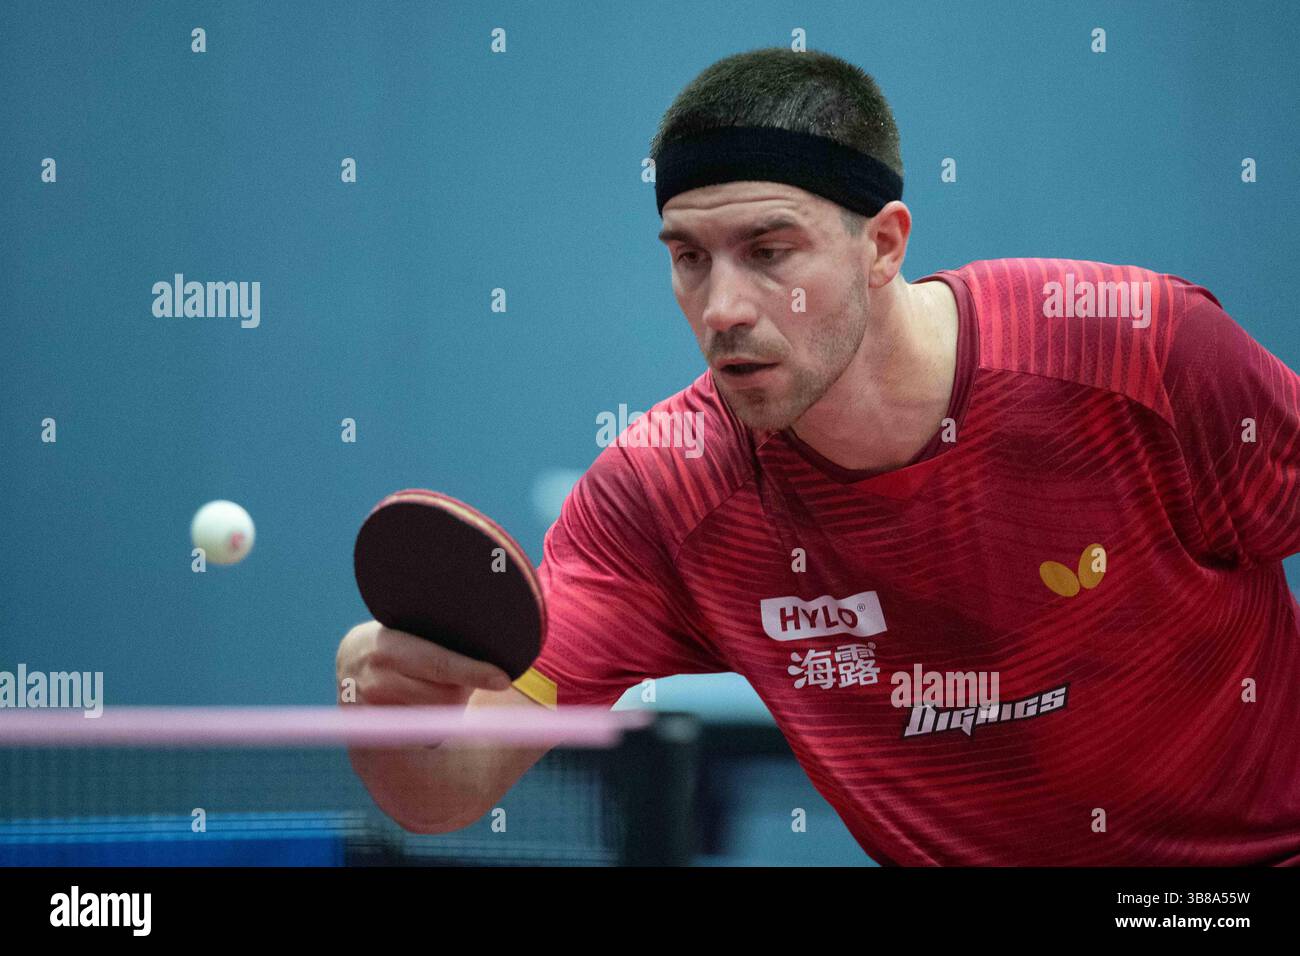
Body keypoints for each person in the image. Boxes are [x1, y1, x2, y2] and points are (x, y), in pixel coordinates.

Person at [336, 47, 1300, 864]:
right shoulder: (664, 492)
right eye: (689, 257)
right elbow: (444, 792)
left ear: (883, 245)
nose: (722, 309)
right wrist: (387, 707)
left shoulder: (1133, 351)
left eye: (769, 251)